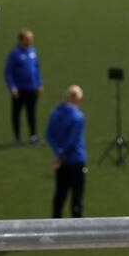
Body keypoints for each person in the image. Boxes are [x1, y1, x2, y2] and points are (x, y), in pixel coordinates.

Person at [46, 85, 87, 218]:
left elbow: (49, 135)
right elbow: (73, 140)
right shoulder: (78, 116)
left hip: (61, 161)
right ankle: (78, 225)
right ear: (79, 99)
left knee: (60, 193)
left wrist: (58, 153)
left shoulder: (55, 112)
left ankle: (55, 222)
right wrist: (62, 154)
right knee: (77, 196)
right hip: (75, 160)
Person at [4, 29, 43, 144]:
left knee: (32, 113)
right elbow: (8, 72)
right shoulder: (14, 53)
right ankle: (17, 137)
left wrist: (39, 83)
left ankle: (33, 136)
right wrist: (12, 87)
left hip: (32, 88)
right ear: (21, 39)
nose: (31, 40)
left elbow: (36, 68)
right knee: (16, 113)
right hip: (19, 89)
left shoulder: (33, 51)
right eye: (29, 38)